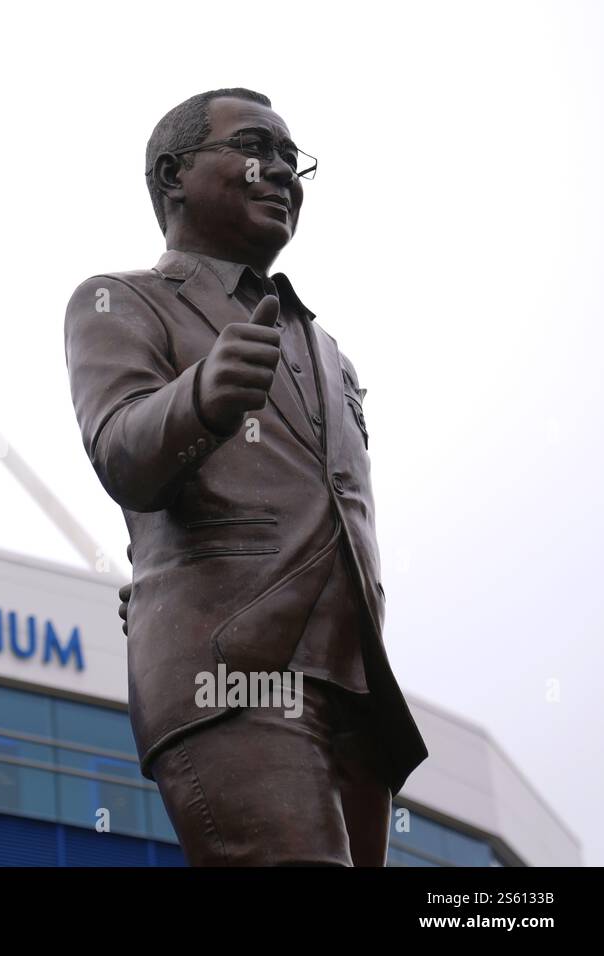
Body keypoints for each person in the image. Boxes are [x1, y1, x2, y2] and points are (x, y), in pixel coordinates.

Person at [63, 88, 427, 865]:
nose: (283, 175)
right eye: (257, 148)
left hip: (354, 688)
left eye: (295, 163)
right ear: (173, 176)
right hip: (231, 674)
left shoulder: (329, 350)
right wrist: (202, 394)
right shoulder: (120, 301)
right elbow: (123, 452)